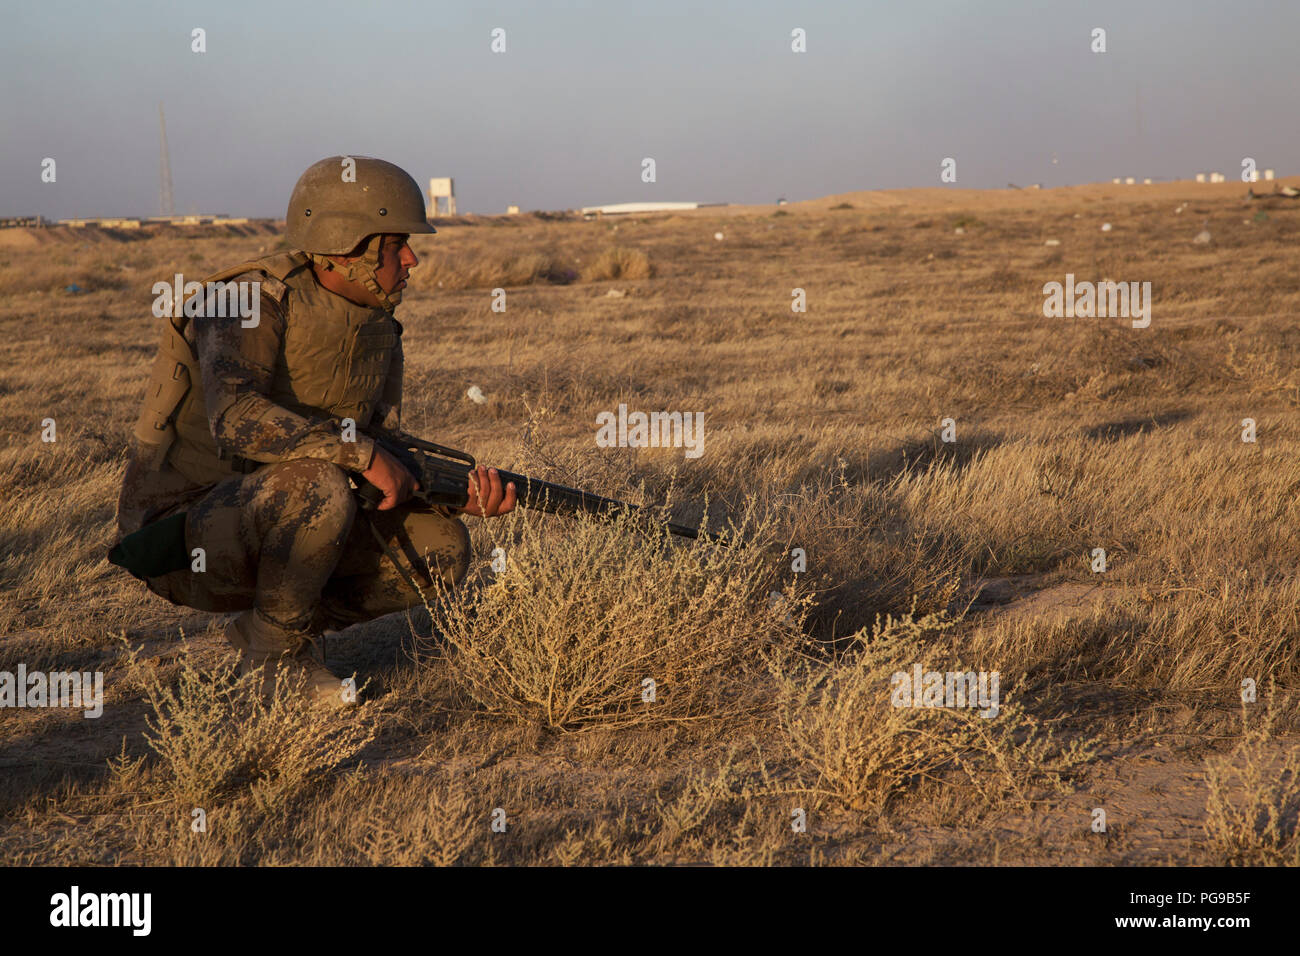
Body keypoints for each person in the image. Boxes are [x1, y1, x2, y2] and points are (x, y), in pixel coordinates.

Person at [110, 156, 516, 709]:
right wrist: (362, 454)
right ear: (347, 246)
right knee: (318, 482)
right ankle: (274, 667)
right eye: (396, 245)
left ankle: (272, 633)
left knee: (441, 547)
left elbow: (378, 446)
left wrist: (448, 490)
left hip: (276, 510)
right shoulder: (247, 300)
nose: (412, 259)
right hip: (179, 532)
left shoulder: (372, 324)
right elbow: (236, 419)